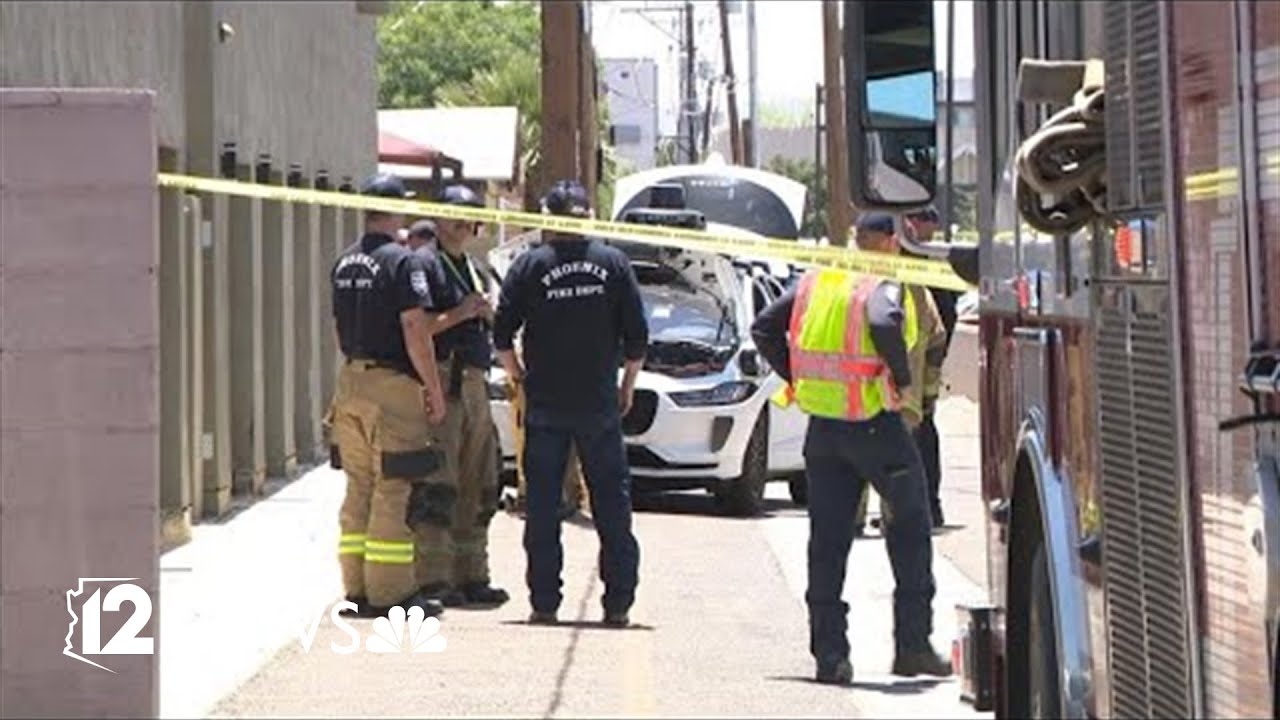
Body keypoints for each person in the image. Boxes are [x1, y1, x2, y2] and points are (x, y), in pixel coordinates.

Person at [750, 211, 952, 685]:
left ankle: (830, 655)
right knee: (911, 525)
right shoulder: (877, 279)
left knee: (828, 542)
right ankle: (913, 644)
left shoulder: (818, 279)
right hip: (875, 425)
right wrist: (901, 379)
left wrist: (797, 376)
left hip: (823, 429)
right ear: (884, 242)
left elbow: (763, 326)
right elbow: (885, 321)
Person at [493, 179, 648, 626]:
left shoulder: (530, 266)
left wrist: (517, 376)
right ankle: (618, 603)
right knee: (612, 506)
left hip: (544, 405)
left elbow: (502, 335)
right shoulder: (613, 264)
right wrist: (627, 386)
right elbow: (636, 339)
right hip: (598, 405)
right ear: (585, 218)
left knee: (542, 508)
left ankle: (544, 602)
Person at [326, 172, 449, 619]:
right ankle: (390, 592)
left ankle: (356, 587)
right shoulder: (403, 262)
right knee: (393, 488)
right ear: (396, 211)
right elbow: (415, 328)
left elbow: (339, 330)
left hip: (350, 382)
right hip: (392, 388)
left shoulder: (344, 262)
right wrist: (432, 387)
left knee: (360, 484)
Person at [415, 187, 509, 608]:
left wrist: (485, 313)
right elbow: (417, 328)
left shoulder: (471, 266)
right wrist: (460, 314)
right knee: (440, 483)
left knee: (480, 483)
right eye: (452, 215)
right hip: (445, 382)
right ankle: (435, 579)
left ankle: (473, 574)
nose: (460, 223)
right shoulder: (426, 265)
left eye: (467, 216)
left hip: (475, 384)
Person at [902, 206, 956, 528]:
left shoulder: (931, 261)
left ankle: (927, 507)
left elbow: (945, 318)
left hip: (920, 366)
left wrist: (930, 370)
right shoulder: (910, 258)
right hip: (912, 364)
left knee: (921, 434)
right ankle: (919, 508)